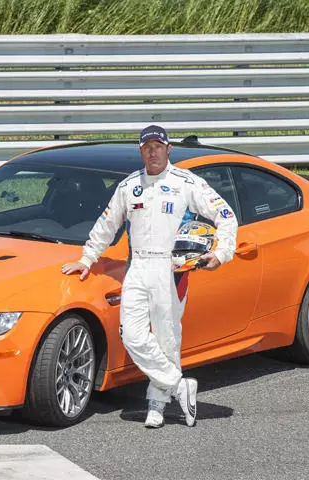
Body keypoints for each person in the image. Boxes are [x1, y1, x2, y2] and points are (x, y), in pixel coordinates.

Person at [62, 125, 238, 428]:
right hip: (139, 266)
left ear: (169, 150)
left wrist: (220, 254)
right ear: (140, 151)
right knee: (131, 336)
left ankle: (156, 405)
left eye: (159, 146)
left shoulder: (187, 183)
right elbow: (107, 224)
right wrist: (87, 258)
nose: (153, 152)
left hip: (173, 270)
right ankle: (179, 385)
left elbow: (226, 217)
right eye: (147, 147)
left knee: (168, 340)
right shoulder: (129, 186)